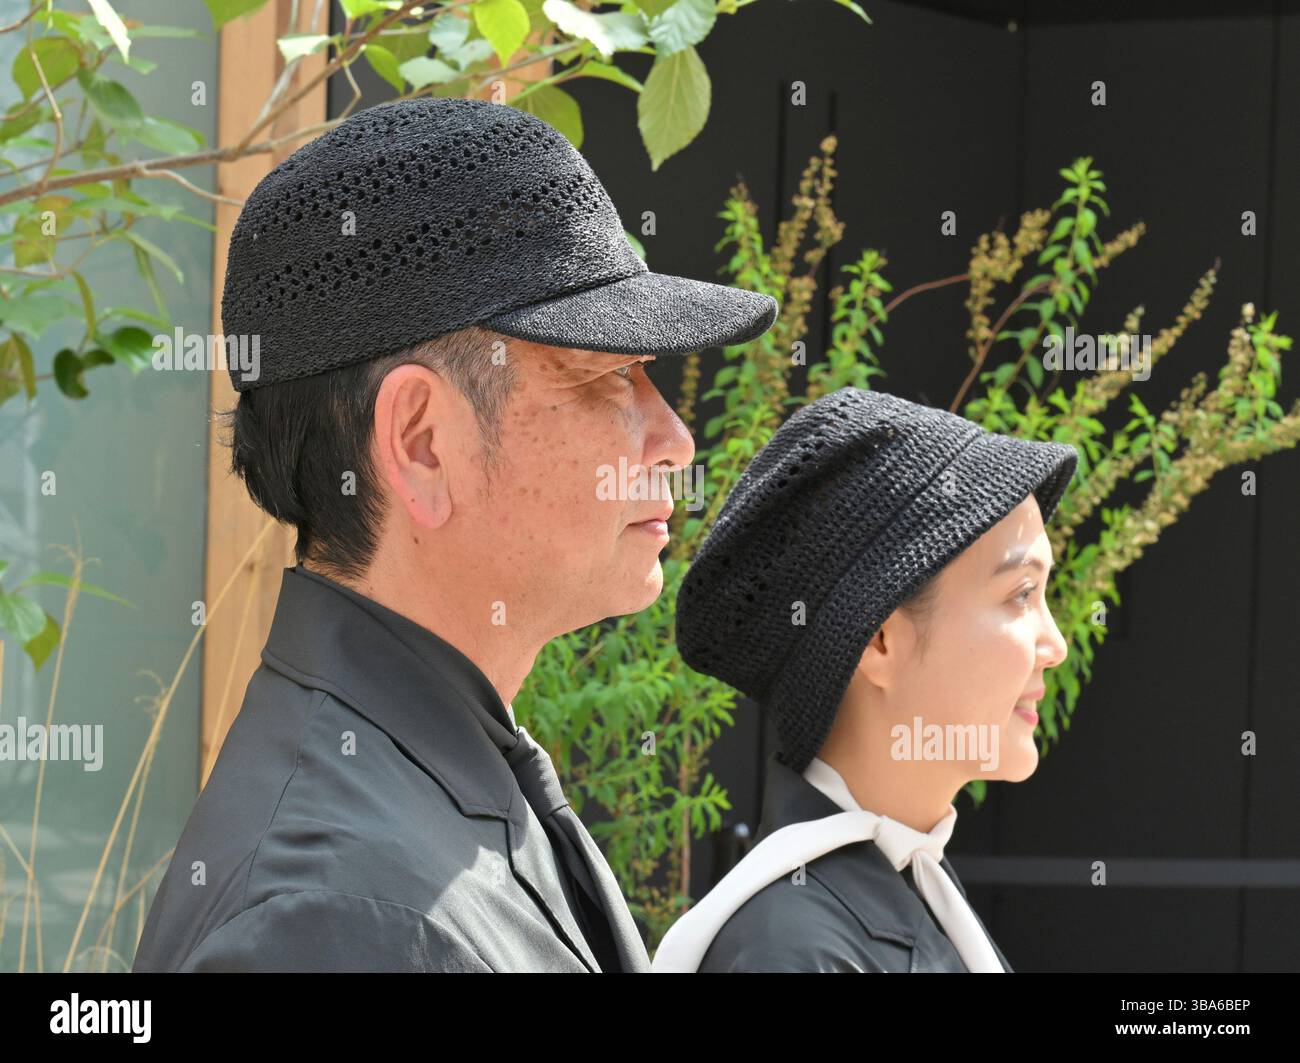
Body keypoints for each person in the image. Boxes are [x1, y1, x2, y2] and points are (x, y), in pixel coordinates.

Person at [131, 97, 777, 972]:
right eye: (609, 376)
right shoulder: (333, 920)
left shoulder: (444, 786)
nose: (676, 441)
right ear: (423, 444)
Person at [654, 387, 1078, 972]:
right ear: (878, 640)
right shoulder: (792, 952)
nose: (1054, 645)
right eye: (1021, 594)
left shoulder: (913, 887)